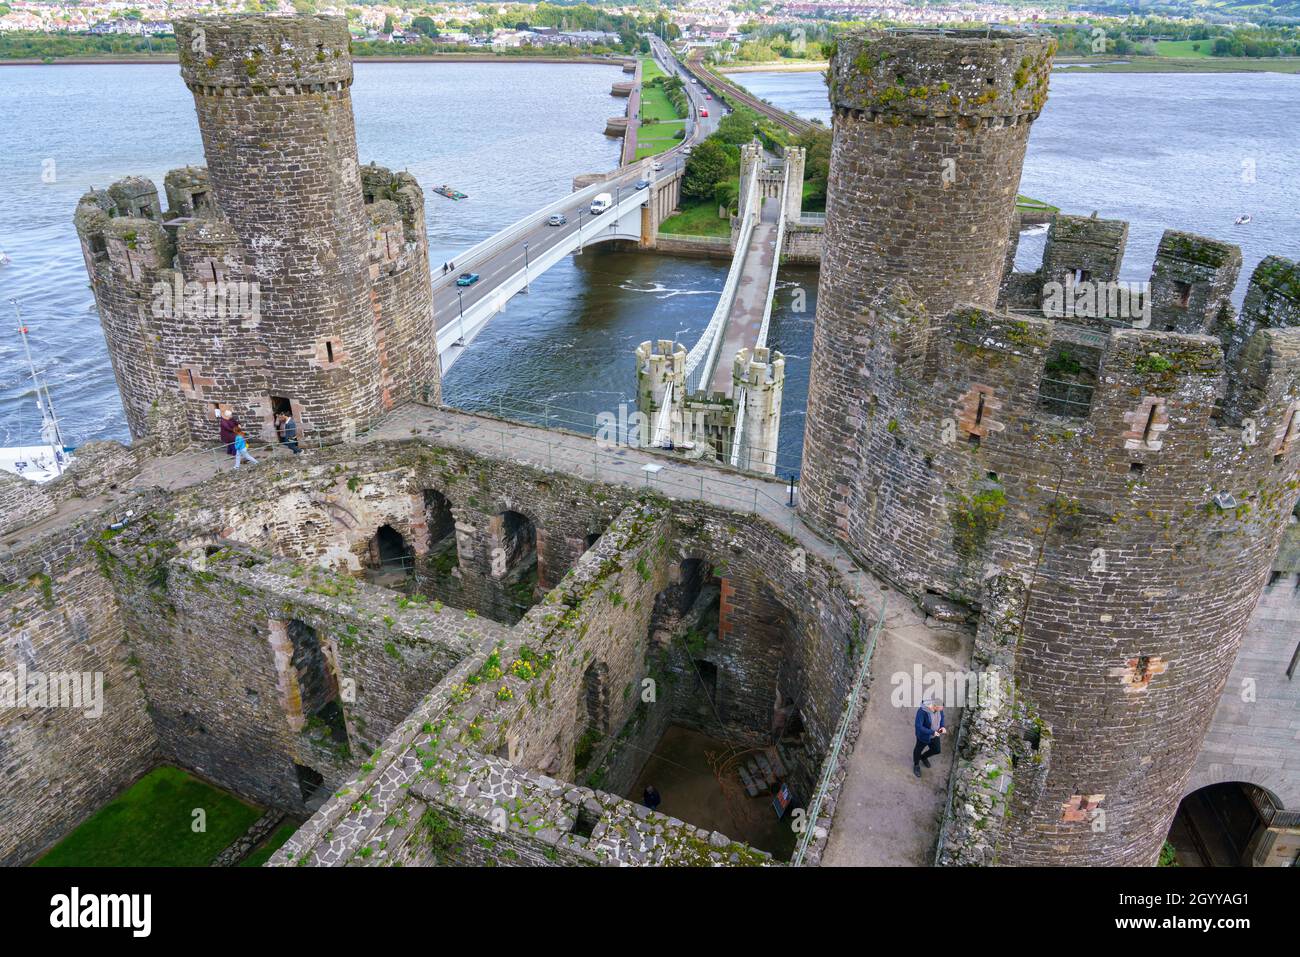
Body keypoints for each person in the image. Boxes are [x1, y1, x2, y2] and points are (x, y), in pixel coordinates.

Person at [912, 699, 945, 778]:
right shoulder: (922, 712)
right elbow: (918, 726)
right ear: (934, 706)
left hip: (935, 734)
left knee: (936, 750)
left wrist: (942, 727)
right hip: (923, 736)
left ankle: (923, 757)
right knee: (918, 750)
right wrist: (932, 732)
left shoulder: (939, 709)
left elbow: (942, 717)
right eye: (940, 709)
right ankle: (916, 765)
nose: (941, 710)